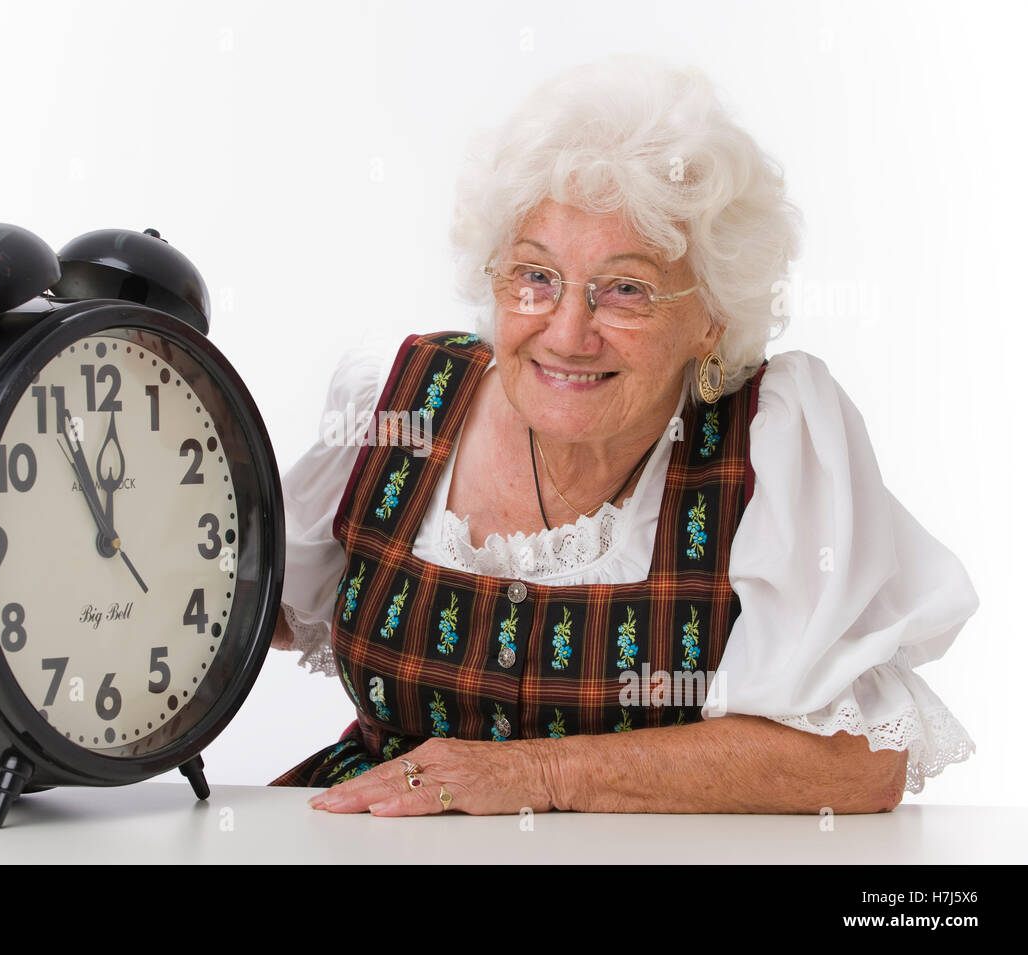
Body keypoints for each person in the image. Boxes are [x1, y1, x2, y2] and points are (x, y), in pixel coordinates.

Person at [266, 57, 979, 816]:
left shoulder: (771, 443)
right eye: (534, 276)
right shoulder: (402, 402)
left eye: (627, 289)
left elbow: (857, 763)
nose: (569, 333)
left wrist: (539, 776)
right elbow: (251, 613)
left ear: (712, 317)